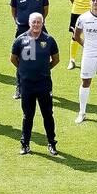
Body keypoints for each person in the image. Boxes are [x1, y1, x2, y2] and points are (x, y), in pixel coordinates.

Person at [11, 13, 60, 156]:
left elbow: (56, 59)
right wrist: (24, 70)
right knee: (28, 115)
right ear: (29, 22)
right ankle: (25, 144)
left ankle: (51, 143)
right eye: (34, 22)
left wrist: (45, 69)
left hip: (44, 84)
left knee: (48, 115)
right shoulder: (21, 40)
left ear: (43, 23)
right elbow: (13, 58)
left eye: (39, 22)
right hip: (27, 85)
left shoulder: (49, 40)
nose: (36, 25)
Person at [9, 0, 49, 99]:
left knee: (42, 59)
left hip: (38, 30)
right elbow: (13, 10)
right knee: (22, 59)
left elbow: (45, 10)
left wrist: (38, 24)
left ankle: (45, 88)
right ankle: (20, 87)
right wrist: (19, 22)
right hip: (22, 30)